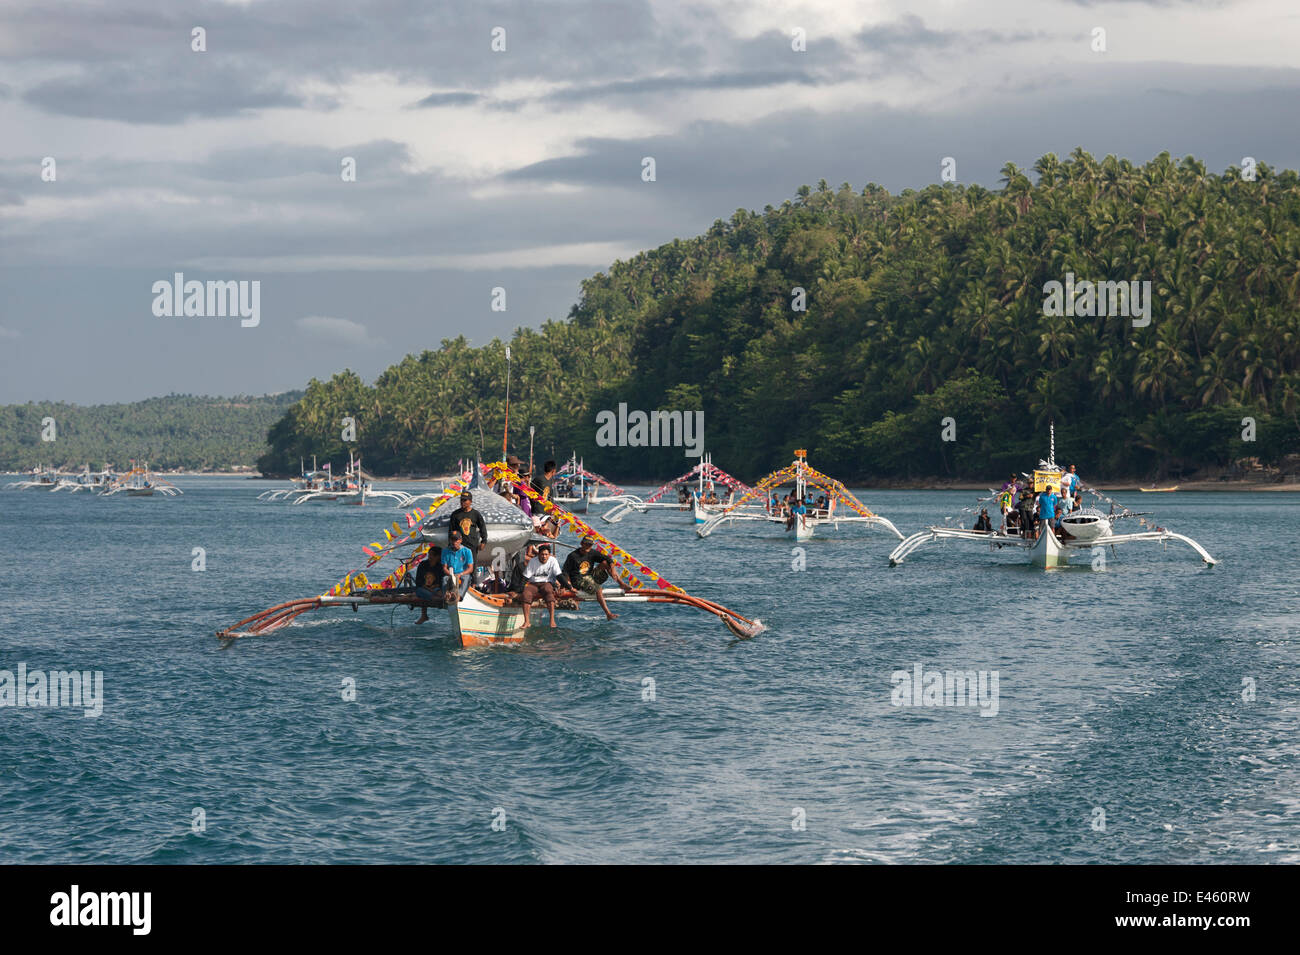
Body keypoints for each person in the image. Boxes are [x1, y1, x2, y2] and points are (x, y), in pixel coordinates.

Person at [561, 535, 622, 620]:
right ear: (581, 543)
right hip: (578, 580)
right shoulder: (572, 556)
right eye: (586, 544)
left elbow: (608, 558)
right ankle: (608, 613)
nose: (587, 546)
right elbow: (565, 572)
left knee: (605, 563)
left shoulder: (592, 553)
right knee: (598, 589)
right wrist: (568, 586)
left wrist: (613, 569)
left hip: (590, 577)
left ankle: (621, 584)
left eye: (590, 545)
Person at [521, 542, 563, 628]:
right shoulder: (533, 561)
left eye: (546, 554)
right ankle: (527, 621)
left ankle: (552, 620)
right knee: (526, 594)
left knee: (548, 591)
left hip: (547, 583)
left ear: (549, 555)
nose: (544, 556)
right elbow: (525, 577)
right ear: (538, 554)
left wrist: (567, 587)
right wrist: (519, 589)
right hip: (533, 583)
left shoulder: (553, 560)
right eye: (542, 554)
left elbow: (559, 575)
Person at [412, 545, 445, 624]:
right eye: (429, 554)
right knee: (419, 591)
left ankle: (437, 598)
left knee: (439, 591)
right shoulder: (423, 564)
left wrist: (436, 589)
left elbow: (441, 583)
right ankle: (424, 615)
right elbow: (419, 582)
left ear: (438, 557)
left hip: (437, 589)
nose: (429, 557)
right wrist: (430, 590)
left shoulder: (441, 567)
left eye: (432, 555)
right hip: (425, 589)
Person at [449, 491, 488, 558]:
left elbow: (482, 528)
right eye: (461, 500)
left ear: (470, 501)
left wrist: (483, 541)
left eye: (465, 500)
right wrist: (452, 544)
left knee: (472, 567)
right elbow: (451, 530)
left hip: (472, 546)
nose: (462, 502)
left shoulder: (476, 514)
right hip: (459, 546)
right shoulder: (455, 514)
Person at [441, 530, 475, 602]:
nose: (454, 542)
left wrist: (461, 574)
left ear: (460, 540)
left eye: (456, 540)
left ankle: (458, 596)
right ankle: (446, 596)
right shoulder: (445, 551)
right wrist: (451, 575)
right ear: (450, 540)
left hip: (462, 574)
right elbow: (444, 568)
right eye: (452, 540)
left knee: (467, 578)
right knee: (445, 579)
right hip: (451, 574)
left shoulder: (467, 551)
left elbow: (470, 568)